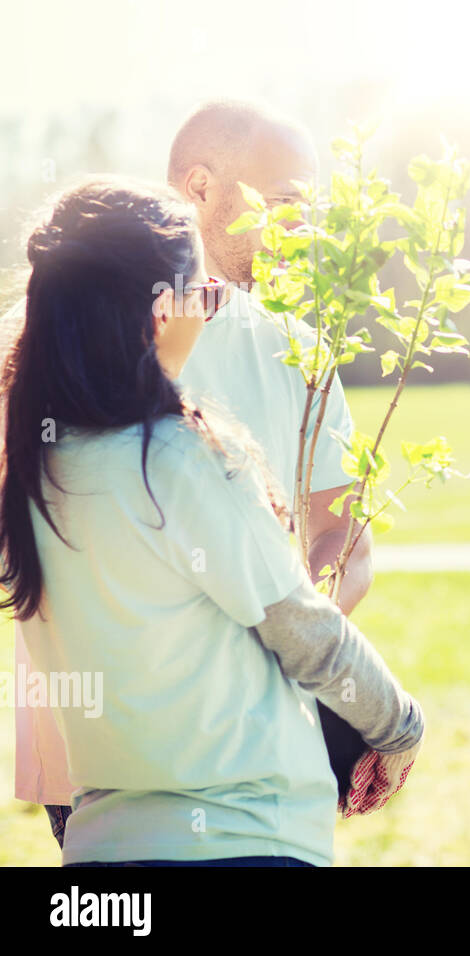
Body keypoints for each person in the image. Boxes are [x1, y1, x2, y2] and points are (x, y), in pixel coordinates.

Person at [0, 176, 422, 865]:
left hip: (105, 848)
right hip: (240, 839)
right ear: (163, 310)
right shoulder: (179, 461)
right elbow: (306, 634)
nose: (213, 311)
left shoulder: (32, 469)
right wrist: (400, 727)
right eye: (209, 295)